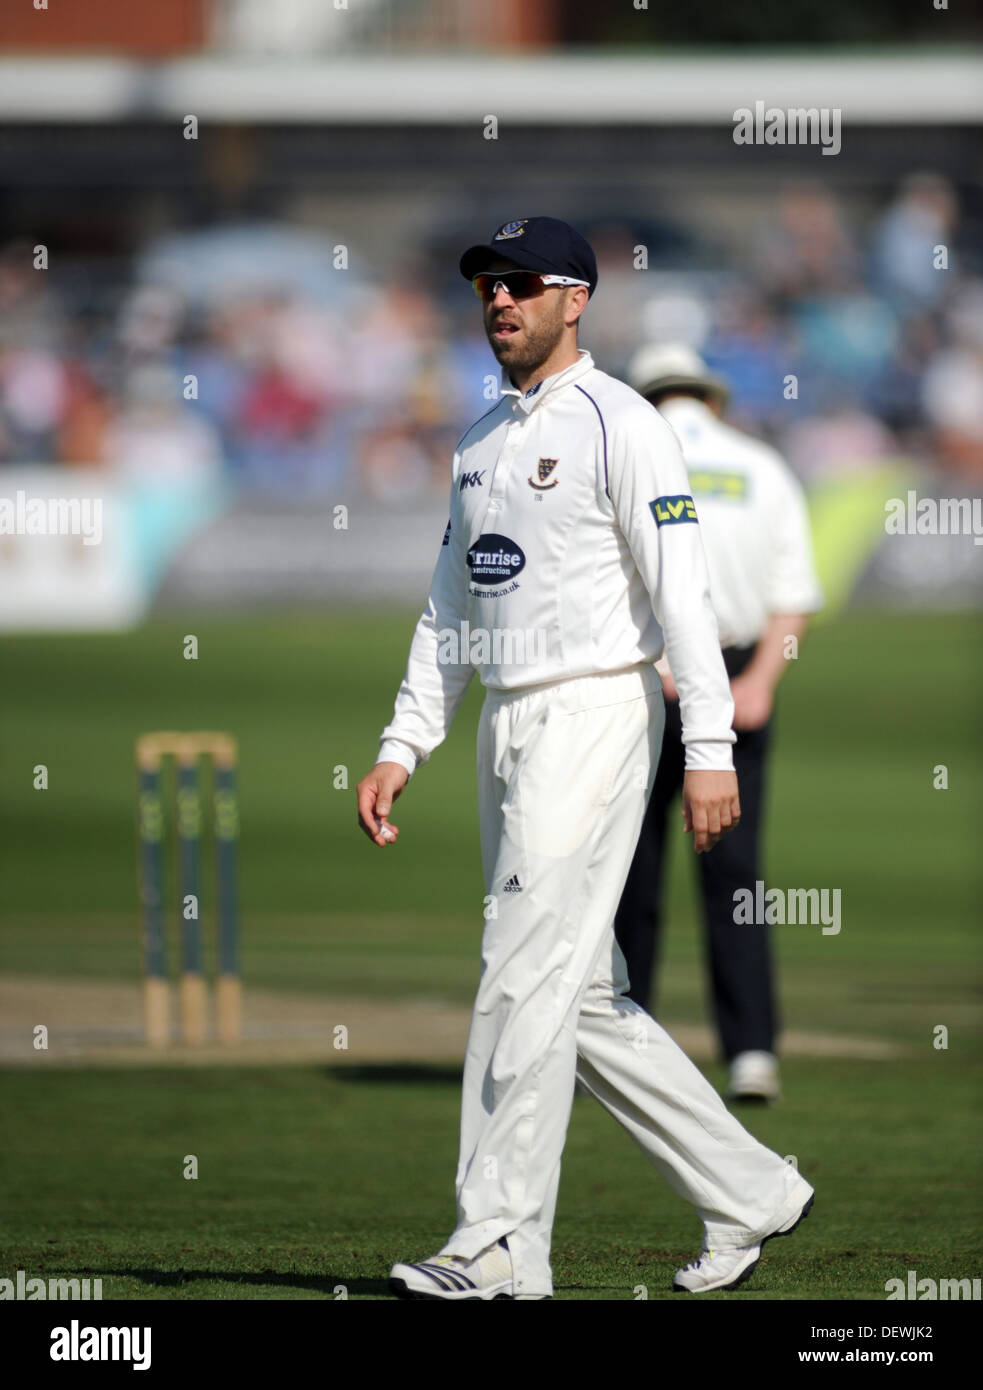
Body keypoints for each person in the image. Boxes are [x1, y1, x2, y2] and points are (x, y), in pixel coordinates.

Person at [355, 218, 814, 1300]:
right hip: (506, 725)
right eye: (484, 287)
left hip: (599, 711)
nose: (498, 301)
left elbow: (682, 598)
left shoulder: (625, 425)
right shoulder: (476, 440)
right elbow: (448, 610)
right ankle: (749, 1190)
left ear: (576, 298)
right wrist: (402, 740)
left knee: (518, 968)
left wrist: (710, 749)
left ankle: (500, 1244)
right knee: (580, 993)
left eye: (519, 283)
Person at [614, 345, 823, 1104]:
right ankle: (751, 1052)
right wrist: (758, 683)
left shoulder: (627, 454)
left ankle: (626, 1049)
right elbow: (791, 594)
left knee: (627, 875)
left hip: (640, 681)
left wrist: (652, 668)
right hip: (734, 681)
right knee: (735, 880)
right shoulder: (761, 467)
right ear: (710, 397)